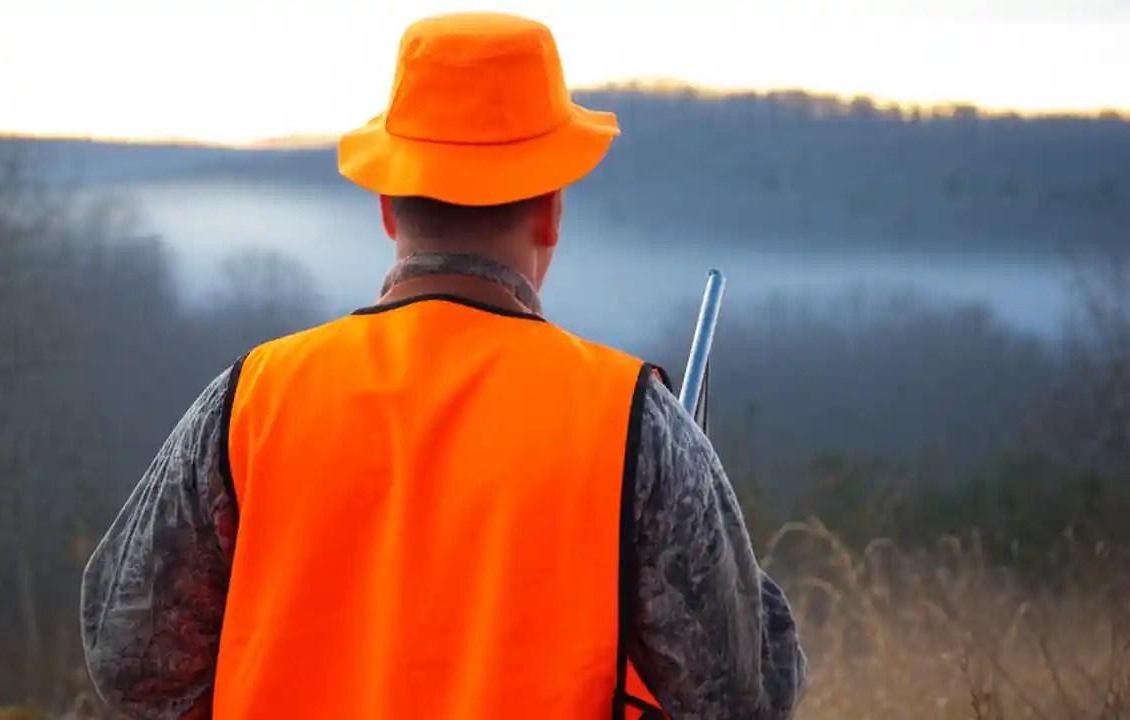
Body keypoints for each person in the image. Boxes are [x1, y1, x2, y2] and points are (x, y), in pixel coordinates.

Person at [80, 11, 806, 719]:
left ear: (389, 209)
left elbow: (131, 657)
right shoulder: (634, 426)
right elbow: (745, 696)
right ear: (551, 210)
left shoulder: (250, 400)